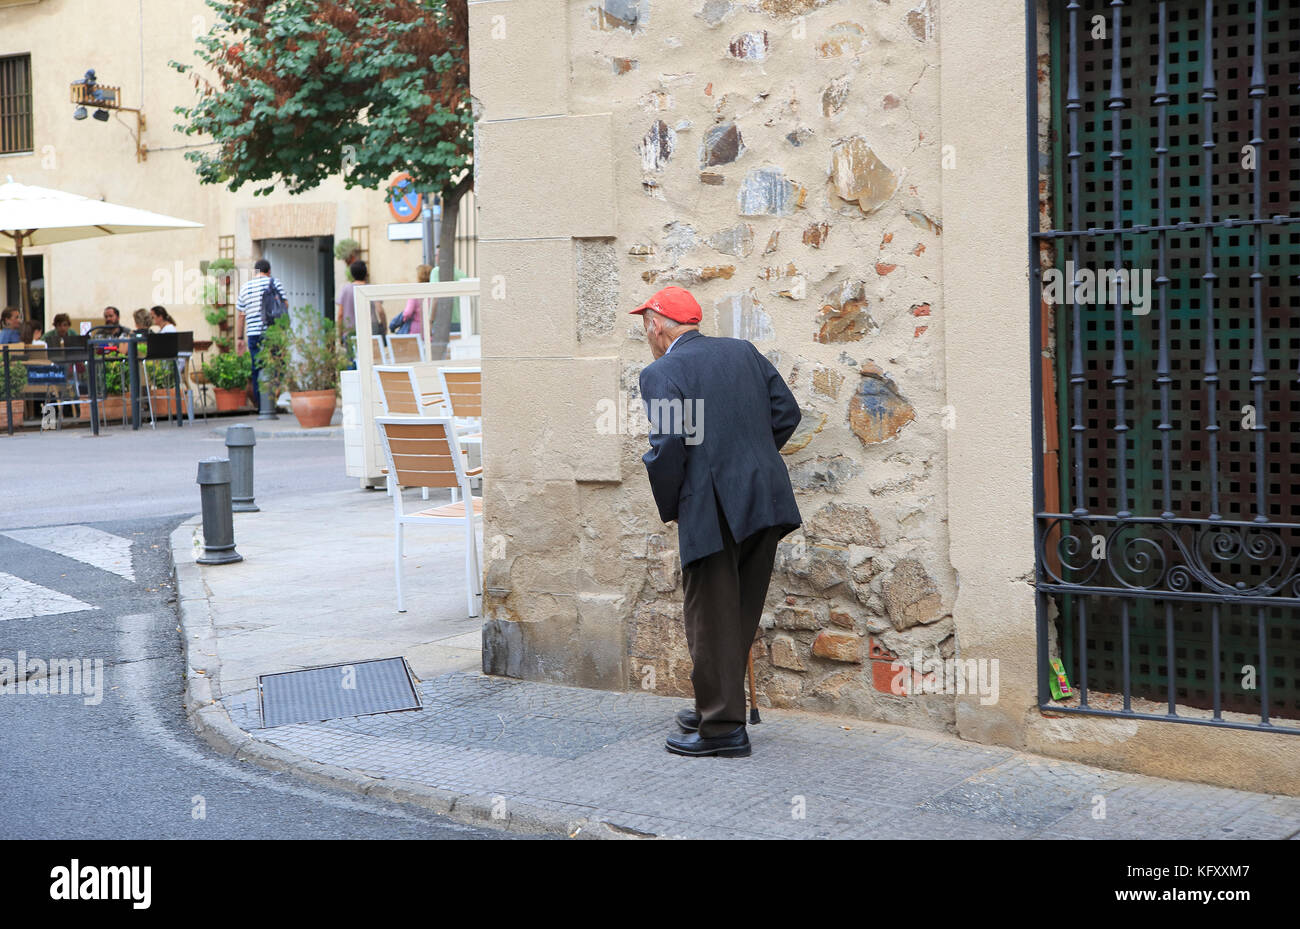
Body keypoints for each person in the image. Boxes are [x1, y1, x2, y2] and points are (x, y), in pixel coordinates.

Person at [633, 286, 802, 759]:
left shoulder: (662, 371)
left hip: (712, 507)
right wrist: (749, 457)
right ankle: (716, 705)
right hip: (764, 499)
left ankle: (724, 729)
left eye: (644, 324)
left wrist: (675, 502)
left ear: (656, 325)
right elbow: (787, 414)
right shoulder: (742, 352)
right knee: (739, 611)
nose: (645, 333)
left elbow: (668, 447)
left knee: (709, 618)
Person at [235, 258, 288, 412]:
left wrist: (239, 338)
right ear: (269, 271)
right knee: (278, 364)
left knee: (257, 368)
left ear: (255, 272)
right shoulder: (274, 283)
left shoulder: (245, 288)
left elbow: (241, 316)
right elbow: (284, 306)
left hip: (253, 334)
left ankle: (261, 406)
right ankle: (274, 399)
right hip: (272, 332)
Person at [336, 259, 385, 349]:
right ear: (366, 273)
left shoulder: (345, 289)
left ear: (352, 274)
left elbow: (340, 314)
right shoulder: (371, 289)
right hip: (370, 331)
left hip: (350, 331)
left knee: (352, 360)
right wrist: (383, 327)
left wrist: (340, 334)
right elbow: (380, 310)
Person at [393, 263, 433, 335]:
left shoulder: (415, 293)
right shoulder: (434, 292)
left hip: (416, 329)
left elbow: (408, 312)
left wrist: (404, 318)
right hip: (432, 328)